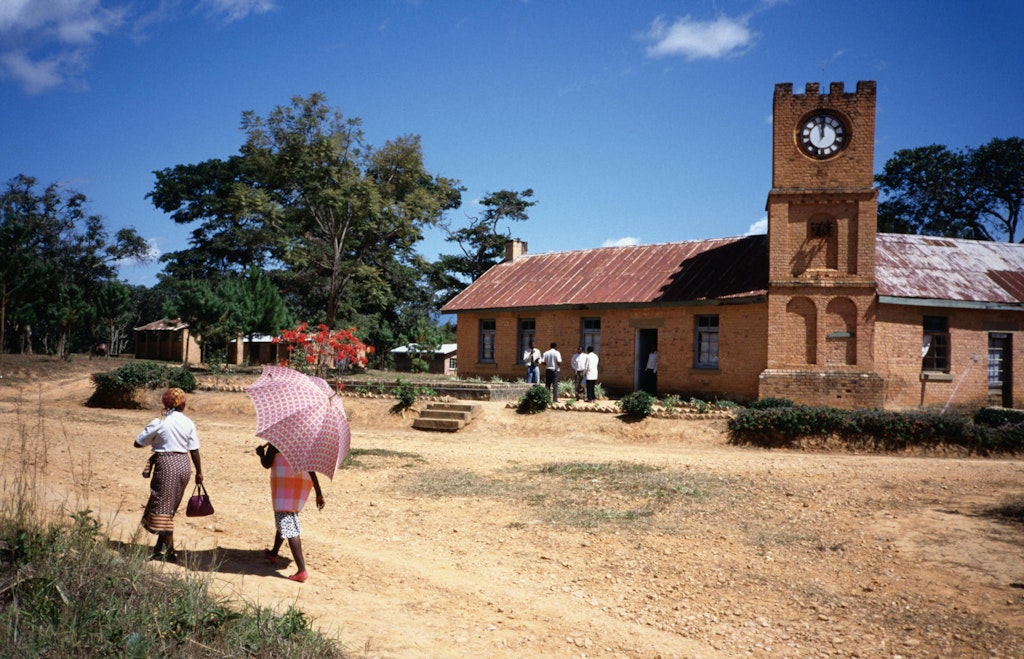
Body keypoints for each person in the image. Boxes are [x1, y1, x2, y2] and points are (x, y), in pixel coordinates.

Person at [134, 387, 203, 563]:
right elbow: (194, 450)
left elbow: (138, 443)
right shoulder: (188, 423)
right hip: (184, 465)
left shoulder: (160, 422)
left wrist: (155, 439)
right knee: (168, 509)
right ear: (181, 404)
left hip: (166, 465)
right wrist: (199, 472)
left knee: (162, 508)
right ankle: (159, 549)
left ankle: (171, 552)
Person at [257, 442, 326, 583]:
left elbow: (267, 464)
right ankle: (274, 552)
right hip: (299, 486)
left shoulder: (276, 442)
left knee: (287, 522)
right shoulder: (304, 444)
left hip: (284, 485)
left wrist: (261, 454)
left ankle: (302, 570)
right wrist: (319, 492)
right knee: (286, 518)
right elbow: (311, 470)